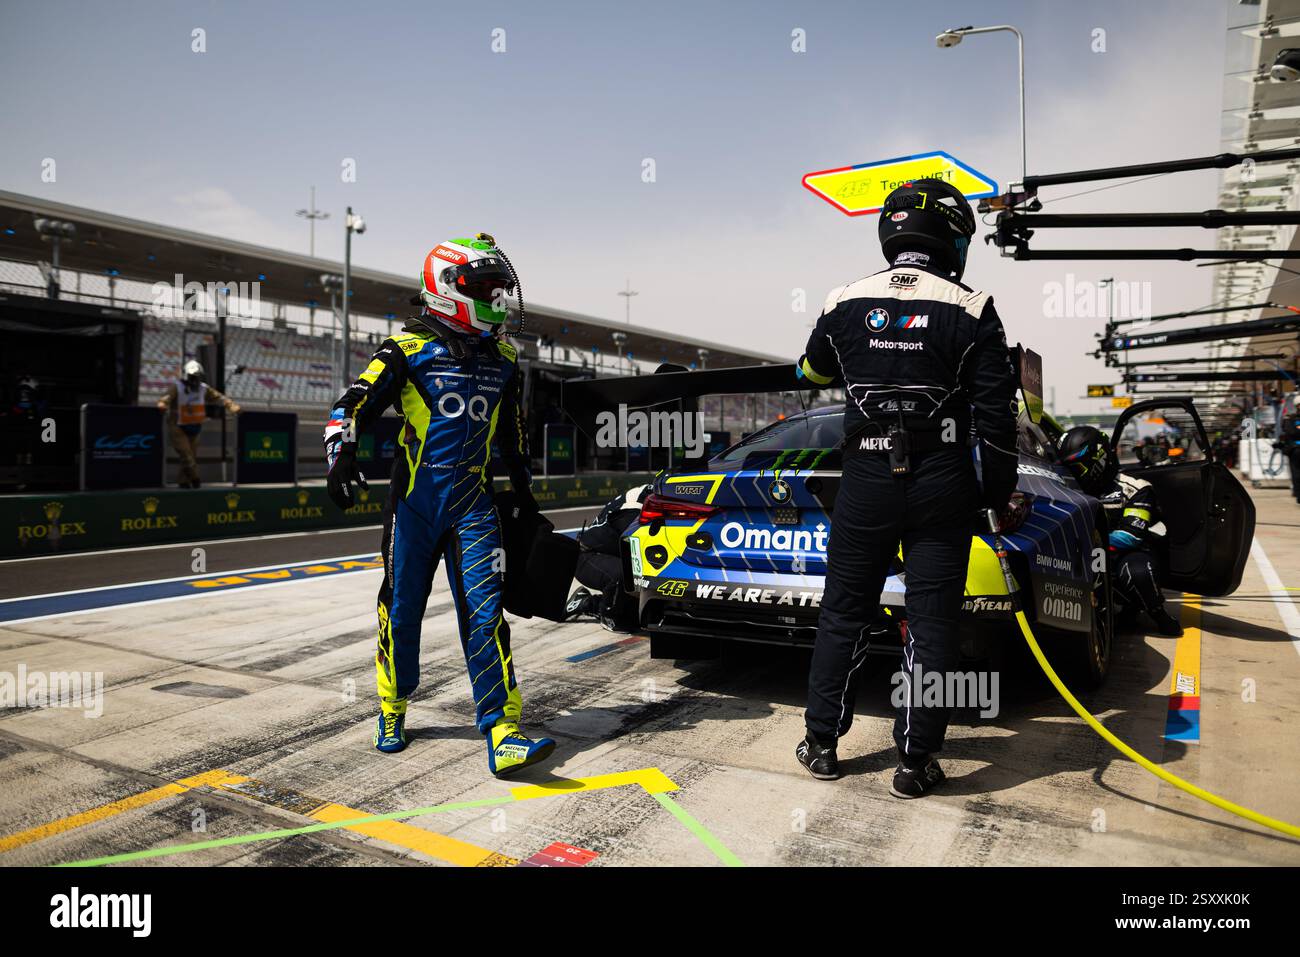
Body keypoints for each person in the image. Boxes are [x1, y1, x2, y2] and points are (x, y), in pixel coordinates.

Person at [793, 178, 1020, 798]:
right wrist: (996, 496)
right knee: (932, 623)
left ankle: (820, 744)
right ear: (953, 236)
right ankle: (915, 761)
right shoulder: (974, 307)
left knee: (843, 612)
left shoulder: (842, 299)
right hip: (940, 480)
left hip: (864, 478)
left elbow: (811, 369)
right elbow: (998, 424)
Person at [323, 233, 556, 777]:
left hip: (476, 506)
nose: (498, 298)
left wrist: (522, 488)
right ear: (448, 287)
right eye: (486, 287)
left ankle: (503, 730)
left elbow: (512, 434)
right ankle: (392, 706)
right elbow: (350, 404)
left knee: (485, 612)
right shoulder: (405, 350)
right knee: (402, 610)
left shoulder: (504, 357)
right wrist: (339, 454)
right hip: (413, 508)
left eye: (500, 287)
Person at [1058, 425, 1182, 637]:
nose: (1073, 473)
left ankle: (1157, 612)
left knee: (1138, 572)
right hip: (1086, 553)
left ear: (1097, 459)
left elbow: (1130, 536)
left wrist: (1087, 545)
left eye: (1077, 466)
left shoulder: (1136, 487)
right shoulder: (1065, 488)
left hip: (1127, 555)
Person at [566, 483, 650, 629]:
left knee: (647, 615)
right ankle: (592, 605)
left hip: (608, 553)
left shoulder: (648, 494)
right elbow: (637, 556)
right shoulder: (634, 507)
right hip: (587, 556)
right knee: (630, 619)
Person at [157, 360, 240, 488]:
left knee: (191, 456)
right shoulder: (176, 387)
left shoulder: (203, 388)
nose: (195, 380)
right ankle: (195, 478)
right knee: (186, 455)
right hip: (178, 427)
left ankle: (183, 481)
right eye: (192, 377)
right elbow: (166, 398)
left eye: (197, 377)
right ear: (186, 375)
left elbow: (219, 397)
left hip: (195, 427)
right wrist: (162, 404)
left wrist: (231, 405)